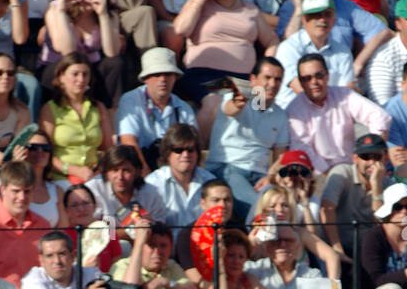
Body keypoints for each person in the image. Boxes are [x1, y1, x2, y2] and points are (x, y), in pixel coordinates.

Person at [173, 0, 270, 104]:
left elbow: (272, 41)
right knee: (219, 102)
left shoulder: (251, 10)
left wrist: (265, 69)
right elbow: (181, 29)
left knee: (260, 104)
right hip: (205, 75)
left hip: (244, 77)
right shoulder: (198, 4)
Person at [204, 56, 288, 217]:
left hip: (260, 175)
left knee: (282, 206)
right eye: (267, 78)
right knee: (258, 211)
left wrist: (270, 178)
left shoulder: (281, 115)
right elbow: (230, 109)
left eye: (278, 79)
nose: (272, 84)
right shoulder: (234, 97)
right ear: (253, 79)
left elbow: (280, 157)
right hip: (227, 167)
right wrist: (238, 102)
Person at [286, 52, 391, 174]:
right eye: (307, 78)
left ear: (327, 75)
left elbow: (380, 117)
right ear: (301, 82)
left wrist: (373, 152)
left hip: (353, 169)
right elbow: (303, 149)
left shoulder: (344, 95)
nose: (314, 82)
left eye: (319, 75)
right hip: (318, 175)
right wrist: (331, 175)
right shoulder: (294, 109)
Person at [40, 0, 124, 107]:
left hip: (89, 67)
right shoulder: (55, 9)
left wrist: (102, 15)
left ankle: (110, 113)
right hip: (59, 65)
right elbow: (67, 51)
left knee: (115, 64)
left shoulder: (110, 15)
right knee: (61, 69)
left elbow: (112, 52)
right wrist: (62, 11)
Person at [116, 47, 198, 177]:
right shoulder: (130, 100)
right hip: (139, 169)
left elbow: (193, 147)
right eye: (157, 74)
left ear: (175, 77)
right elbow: (128, 142)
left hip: (175, 171)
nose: (163, 79)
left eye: (168, 74)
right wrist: (148, 177)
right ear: (145, 78)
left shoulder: (184, 108)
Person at [39, 52, 113, 183]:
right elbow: (44, 153)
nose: (81, 79)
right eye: (75, 74)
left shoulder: (98, 108)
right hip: (62, 177)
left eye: (85, 74)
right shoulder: (50, 109)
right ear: (62, 77)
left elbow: (108, 148)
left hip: (94, 175)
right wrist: (74, 170)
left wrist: (99, 168)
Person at [274, 0, 356, 109]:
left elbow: (348, 91)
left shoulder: (343, 51)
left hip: (333, 112)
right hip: (293, 115)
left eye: (327, 15)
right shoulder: (289, 48)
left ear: (334, 19)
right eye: (316, 15)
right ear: (304, 19)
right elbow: (301, 90)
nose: (322, 20)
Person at [319, 130, 389, 261]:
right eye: (366, 156)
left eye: (377, 157)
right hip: (337, 247)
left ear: (386, 158)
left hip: (369, 252)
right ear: (355, 159)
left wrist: (377, 187)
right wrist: (337, 250)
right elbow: (326, 209)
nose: (371, 162)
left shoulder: (388, 185)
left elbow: (382, 225)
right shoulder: (342, 173)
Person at [108, 218, 203, 289]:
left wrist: (166, 282)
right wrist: (139, 242)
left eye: (163, 246)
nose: (157, 251)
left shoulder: (171, 266)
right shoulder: (122, 265)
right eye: (151, 245)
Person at [144, 122, 211, 231]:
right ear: (167, 154)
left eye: (190, 150)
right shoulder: (152, 184)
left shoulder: (210, 182)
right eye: (178, 150)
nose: (185, 155)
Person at [83, 142, 166, 229]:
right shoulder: (93, 190)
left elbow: (159, 232)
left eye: (126, 170)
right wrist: (131, 232)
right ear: (106, 173)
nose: (120, 177)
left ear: (137, 171)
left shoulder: (151, 193)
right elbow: (95, 233)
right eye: (115, 170)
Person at [20, 228, 107, 289]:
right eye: (49, 256)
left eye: (62, 254)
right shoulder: (33, 278)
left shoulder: (92, 274)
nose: (57, 261)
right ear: (41, 260)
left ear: (73, 256)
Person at [247, 224, 326, 289]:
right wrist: (248, 245)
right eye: (276, 240)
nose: (282, 245)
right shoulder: (253, 270)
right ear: (266, 246)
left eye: (288, 240)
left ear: (297, 246)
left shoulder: (311, 276)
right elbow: (235, 271)